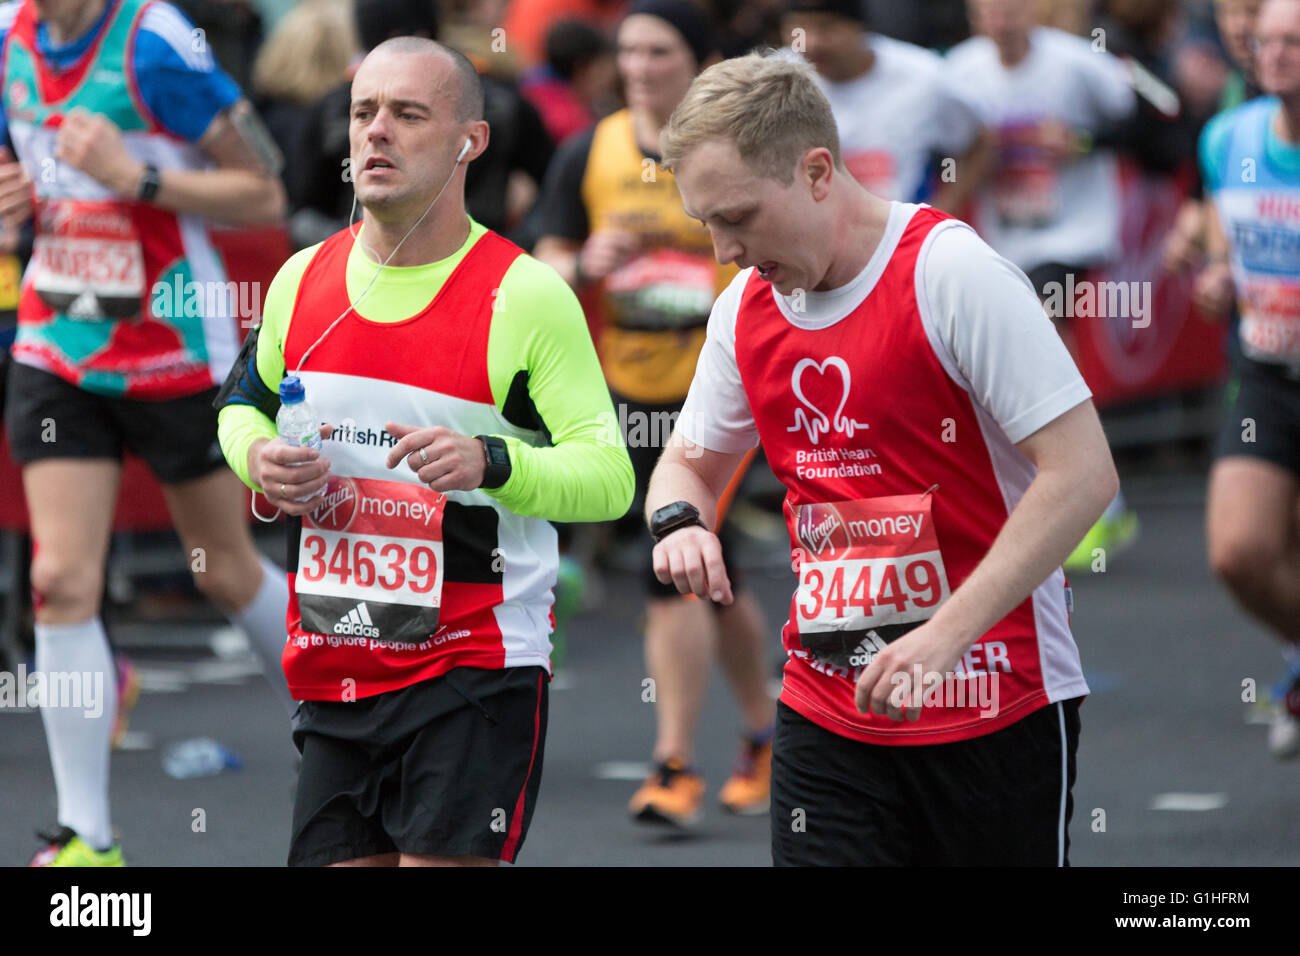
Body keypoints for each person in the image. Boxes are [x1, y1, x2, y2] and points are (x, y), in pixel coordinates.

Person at [650, 52, 1118, 865]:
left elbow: (1083, 474)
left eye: (739, 217)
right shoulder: (744, 310)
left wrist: (943, 637)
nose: (723, 250)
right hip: (827, 707)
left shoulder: (952, 273)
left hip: (991, 701)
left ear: (818, 171)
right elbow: (686, 463)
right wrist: (680, 522)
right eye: (706, 224)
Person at [216, 36, 633, 866]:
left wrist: (495, 464)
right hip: (339, 659)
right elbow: (239, 408)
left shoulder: (524, 295)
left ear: (468, 142)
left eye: (408, 115)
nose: (376, 133)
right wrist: (259, 460)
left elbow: (611, 478)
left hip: (473, 666)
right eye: (364, 112)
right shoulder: (304, 278)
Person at [0, 0, 293, 867]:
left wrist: (139, 180)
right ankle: (87, 835)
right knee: (59, 578)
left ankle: (361, 724)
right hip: (59, 343)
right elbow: (25, 173)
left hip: (172, 345)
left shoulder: (155, 40)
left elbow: (265, 188)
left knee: (223, 570)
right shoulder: (11, 33)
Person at [533, 0, 777, 827]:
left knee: (668, 563)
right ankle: (767, 733)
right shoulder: (589, 151)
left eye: (659, 52)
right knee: (713, 572)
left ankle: (674, 764)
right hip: (626, 389)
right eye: (628, 52)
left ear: (700, 60)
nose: (639, 67)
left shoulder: (732, 148)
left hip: (725, 393)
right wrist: (581, 262)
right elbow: (547, 258)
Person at [948, 0, 1139, 571]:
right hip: (1004, 240)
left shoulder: (1079, 63)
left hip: (1071, 236)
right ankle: (1082, 494)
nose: (999, 17)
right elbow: (944, 144)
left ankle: (1092, 500)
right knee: (1025, 367)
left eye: (1010, 6)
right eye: (986, 8)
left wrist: (1081, 141)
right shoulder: (958, 71)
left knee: (1047, 346)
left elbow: (1147, 125)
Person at [1198, 0, 1300, 759]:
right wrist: (1215, 274)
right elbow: (1220, 234)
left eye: (1295, 41)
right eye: (1268, 40)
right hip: (1265, 369)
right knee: (1239, 551)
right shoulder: (1229, 137)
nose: (1277, 54)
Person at [779, 0, 992, 214]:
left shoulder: (924, 76)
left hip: (901, 238)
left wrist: (943, 206)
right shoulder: (775, 80)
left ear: (859, 27)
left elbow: (974, 143)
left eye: (827, 27)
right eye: (799, 30)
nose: (812, 42)